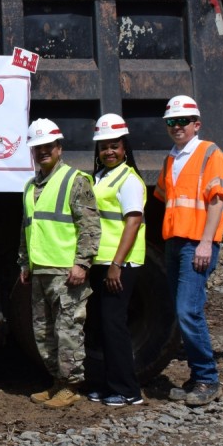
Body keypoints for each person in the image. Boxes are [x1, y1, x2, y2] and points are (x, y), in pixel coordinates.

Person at [18, 118, 100, 409]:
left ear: (59, 148)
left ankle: (71, 385)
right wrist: (25, 262)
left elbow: (89, 226)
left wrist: (82, 264)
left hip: (66, 273)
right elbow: (27, 227)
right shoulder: (31, 186)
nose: (43, 152)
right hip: (40, 270)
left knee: (68, 331)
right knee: (43, 332)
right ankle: (57, 382)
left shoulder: (75, 181)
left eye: (48, 146)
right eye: (37, 148)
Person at [154, 95, 223, 407]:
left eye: (183, 121)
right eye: (171, 122)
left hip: (196, 245)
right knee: (181, 310)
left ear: (196, 124)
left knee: (189, 311)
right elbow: (162, 196)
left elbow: (218, 200)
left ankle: (208, 379)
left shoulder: (210, 153)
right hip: (175, 243)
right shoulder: (171, 158)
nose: (177, 127)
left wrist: (206, 243)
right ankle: (197, 378)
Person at [83, 114, 146, 407]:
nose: (109, 151)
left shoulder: (128, 179)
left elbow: (132, 223)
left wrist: (116, 265)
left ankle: (127, 390)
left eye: (114, 146)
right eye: (104, 146)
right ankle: (107, 384)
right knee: (100, 324)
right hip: (101, 261)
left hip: (121, 264)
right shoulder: (99, 178)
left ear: (125, 148)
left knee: (114, 325)